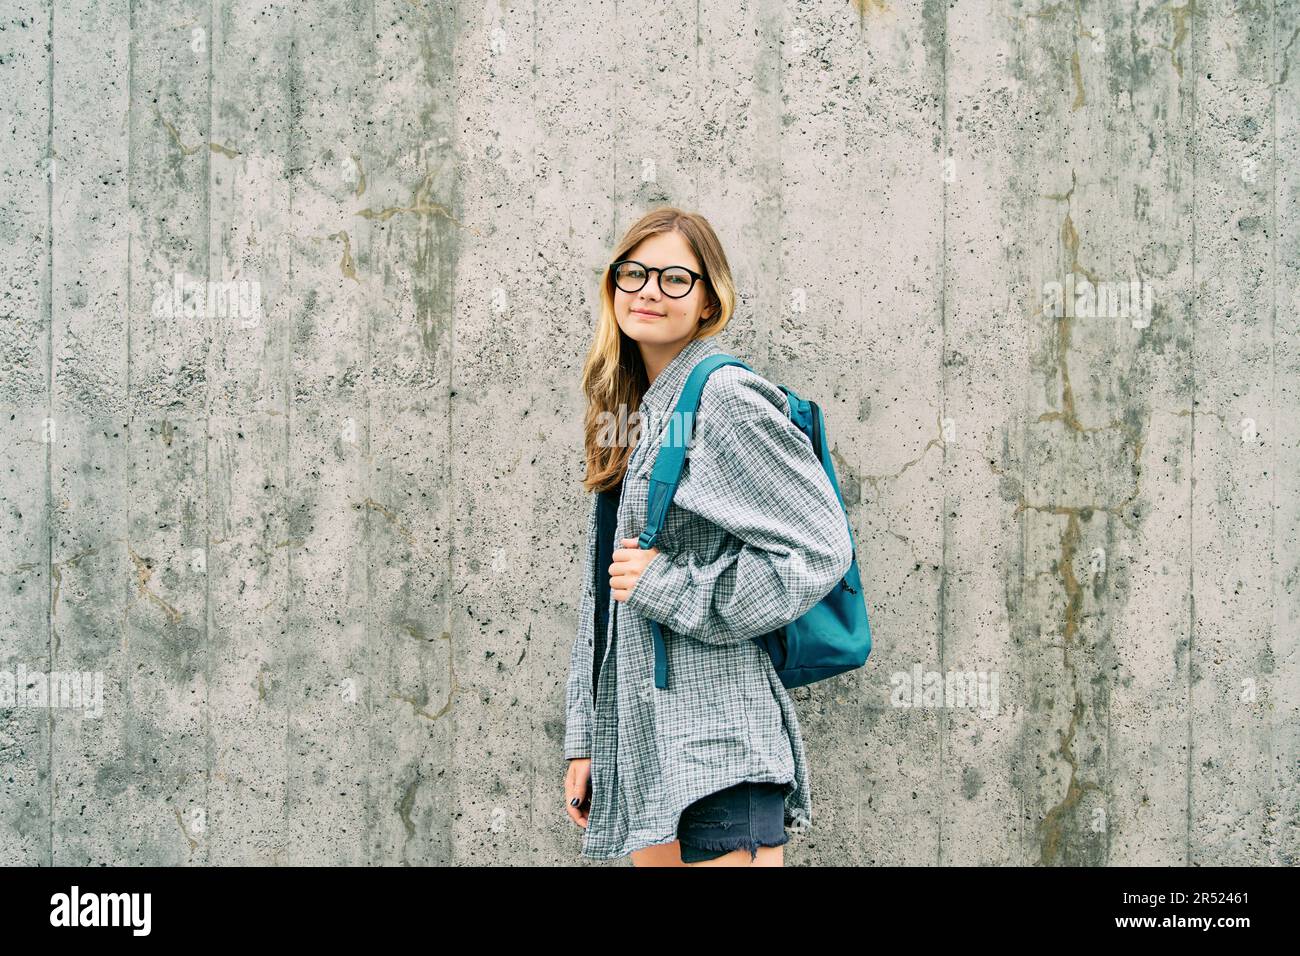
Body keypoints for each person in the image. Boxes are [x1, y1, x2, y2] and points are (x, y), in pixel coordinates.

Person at [562, 206, 854, 867]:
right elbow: (602, 596)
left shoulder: (723, 396)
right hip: (642, 746)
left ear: (707, 300)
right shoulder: (634, 409)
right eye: (633, 273)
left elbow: (818, 548)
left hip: (718, 741)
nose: (648, 291)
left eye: (674, 278)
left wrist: (672, 588)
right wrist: (586, 740)